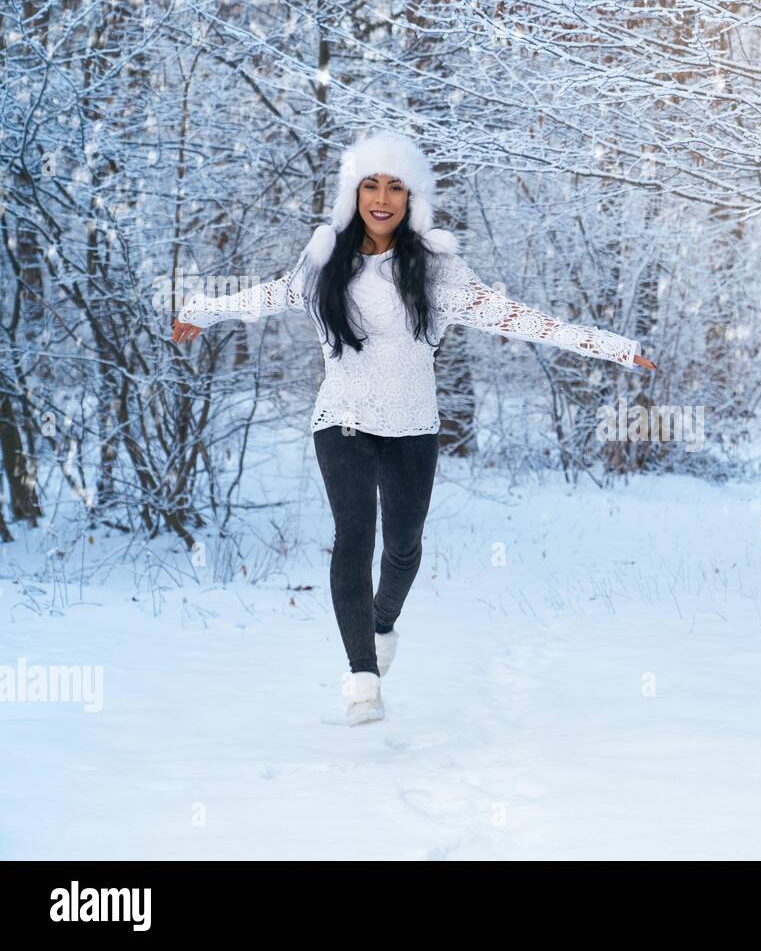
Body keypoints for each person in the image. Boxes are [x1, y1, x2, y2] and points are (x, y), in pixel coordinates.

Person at [172, 129, 655, 726]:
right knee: (354, 535)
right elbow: (270, 294)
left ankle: (381, 624)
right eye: (370, 184)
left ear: (411, 198)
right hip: (342, 418)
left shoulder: (438, 270)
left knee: (403, 547)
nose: (382, 197)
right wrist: (202, 309)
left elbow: (519, 318)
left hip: (412, 424)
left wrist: (609, 346)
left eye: (395, 186)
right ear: (353, 194)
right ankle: (361, 679)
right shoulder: (322, 261)